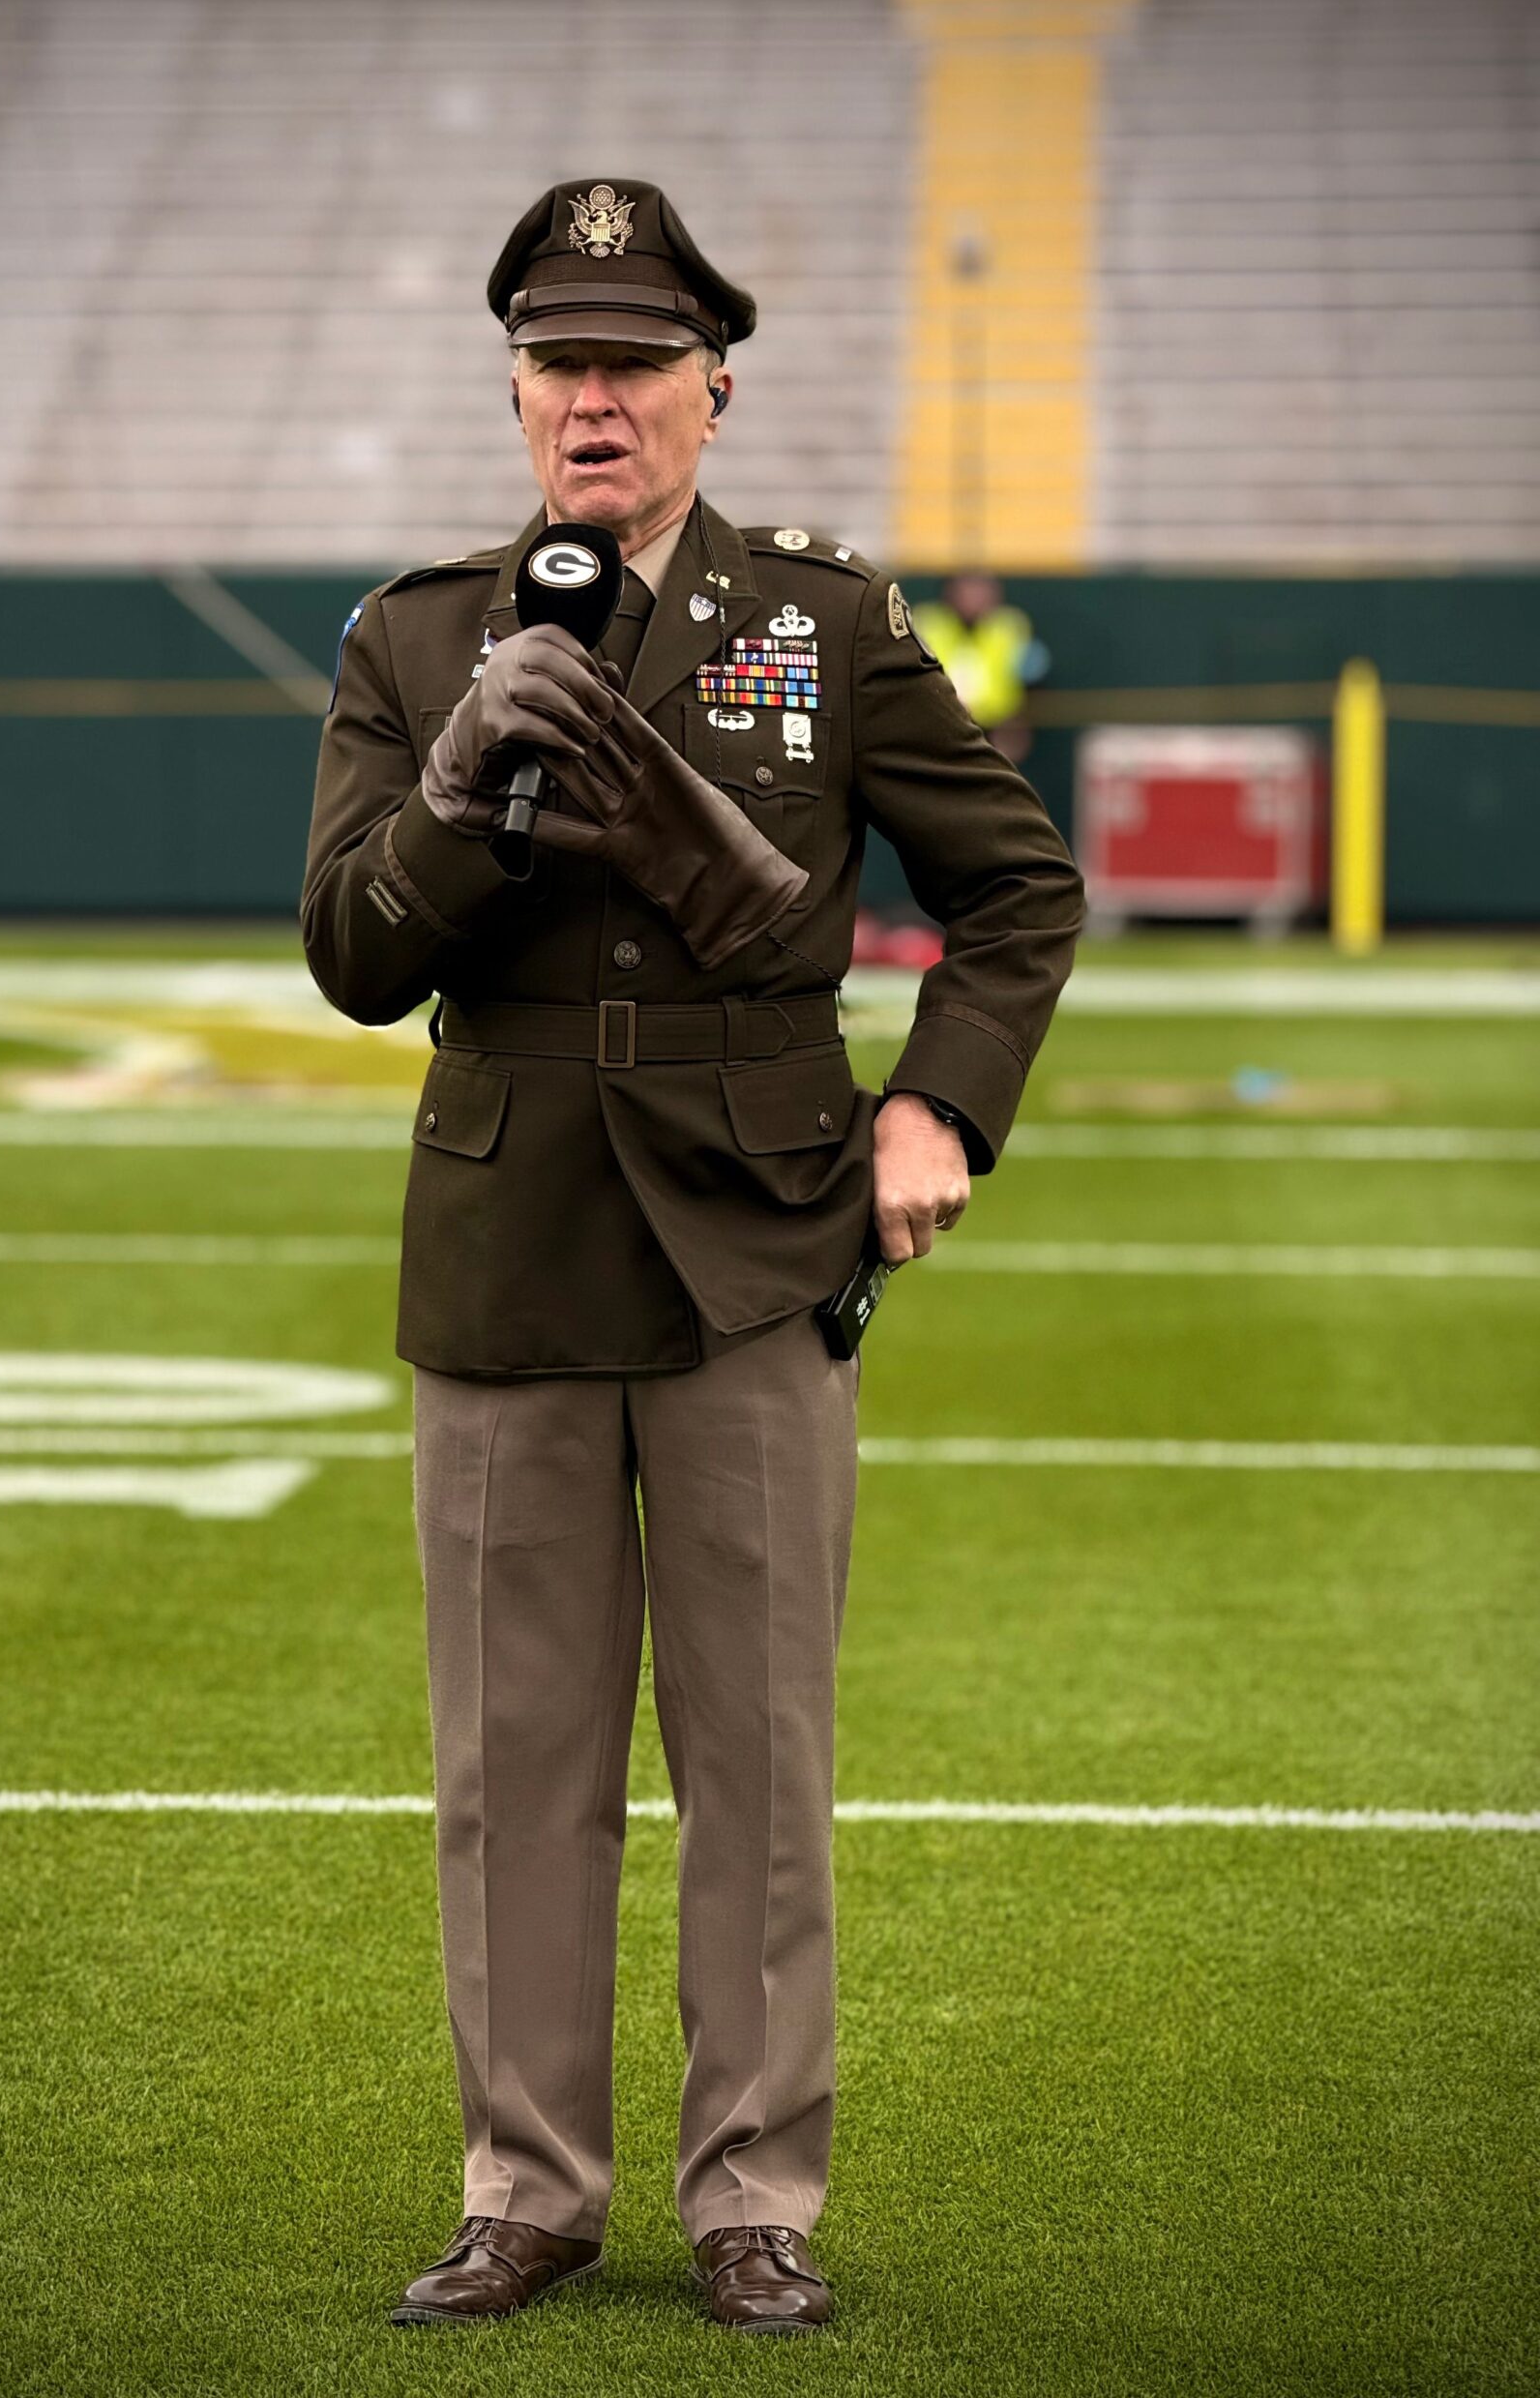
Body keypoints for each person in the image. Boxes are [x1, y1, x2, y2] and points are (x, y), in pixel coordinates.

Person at [301, 178, 1083, 2337]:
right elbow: (354, 955)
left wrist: (938, 1108)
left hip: (758, 1241)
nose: (596, 399)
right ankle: (526, 2193)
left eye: (637, 364)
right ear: (515, 391)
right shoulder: (415, 638)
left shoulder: (823, 618)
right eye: (560, 362)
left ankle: (754, 2195)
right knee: (513, 1765)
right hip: (511, 1246)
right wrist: (463, 785)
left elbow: (1019, 889)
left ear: (712, 390)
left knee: (758, 1757)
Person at [916, 571, 1047, 763]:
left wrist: (1018, 723)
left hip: (996, 728)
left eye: (981, 589)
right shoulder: (928, 622)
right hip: (938, 726)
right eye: (967, 589)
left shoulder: (1010, 626)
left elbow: (1033, 678)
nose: (974, 597)